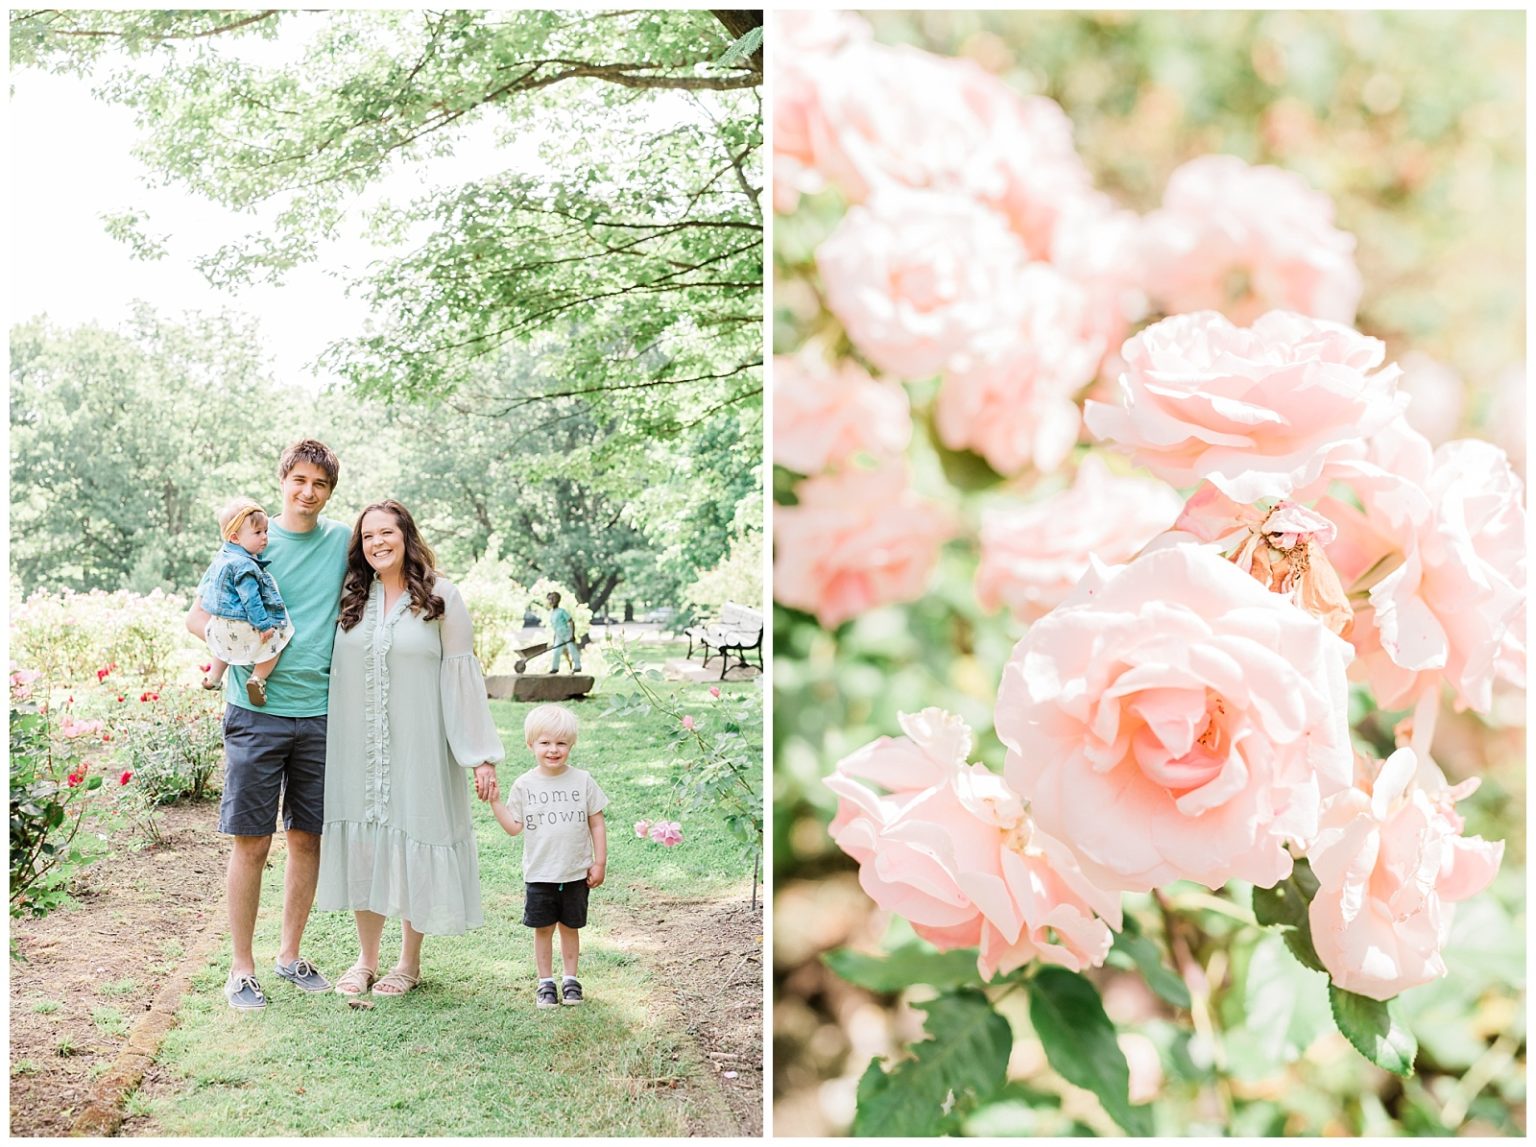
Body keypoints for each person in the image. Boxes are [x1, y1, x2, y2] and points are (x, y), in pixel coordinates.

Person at [185, 440, 350, 1010]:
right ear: (283, 480)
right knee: (251, 841)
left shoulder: (341, 542)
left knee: (307, 837)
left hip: (321, 712)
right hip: (255, 714)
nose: (308, 492)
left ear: (330, 492)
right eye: (299, 480)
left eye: (320, 485)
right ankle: (241, 968)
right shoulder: (245, 539)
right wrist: (237, 645)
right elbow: (197, 616)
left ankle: (289, 955)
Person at [316, 500, 504, 998]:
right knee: (365, 843)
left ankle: (408, 963)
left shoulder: (442, 597)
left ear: (406, 536)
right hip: (358, 746)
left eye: (387, 533)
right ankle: (365, 960)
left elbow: (461, 676)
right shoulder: (353, 598)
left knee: (413, 835)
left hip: (421, 742)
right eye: (368, 535)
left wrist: (478, 753)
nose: (377, 542)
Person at [489, 704, 608, 1007]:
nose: (553, 750)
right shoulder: (525, 785)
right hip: (540, 873)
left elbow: (596, 821)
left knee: (570, 927)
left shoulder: (582, 780)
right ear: (531, 745)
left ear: (571, 745)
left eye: (561, 743)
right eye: (545, 743)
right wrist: (495, 803)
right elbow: (514, 828)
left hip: (575, 872)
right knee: (543, 929)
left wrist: (599, 861)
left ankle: (571, 980)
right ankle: (545, 983)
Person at [196, 497, 295, 706]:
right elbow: (251, 600)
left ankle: (213, 677)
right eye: (258, 533)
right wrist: (264, 625)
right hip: (244, 624)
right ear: (235, 537)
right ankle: (257, 679)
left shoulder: (222, 557)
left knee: (222, 649)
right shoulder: (245, 565)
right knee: (279, 641)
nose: (265, 538)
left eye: (266, 531)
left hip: (220, 624)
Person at [546, 591, 582, 674]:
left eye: (552, 599)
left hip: (566, 633)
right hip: (559, 635)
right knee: (556, 651)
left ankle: (578, 666)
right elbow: (555, 627)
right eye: (550, 599)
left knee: (572, 649)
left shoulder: (562, 611)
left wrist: (572, 634)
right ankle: (555, 668)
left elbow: (571, 621)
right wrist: (554, 638)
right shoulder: (552, 613)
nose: (551, 601)